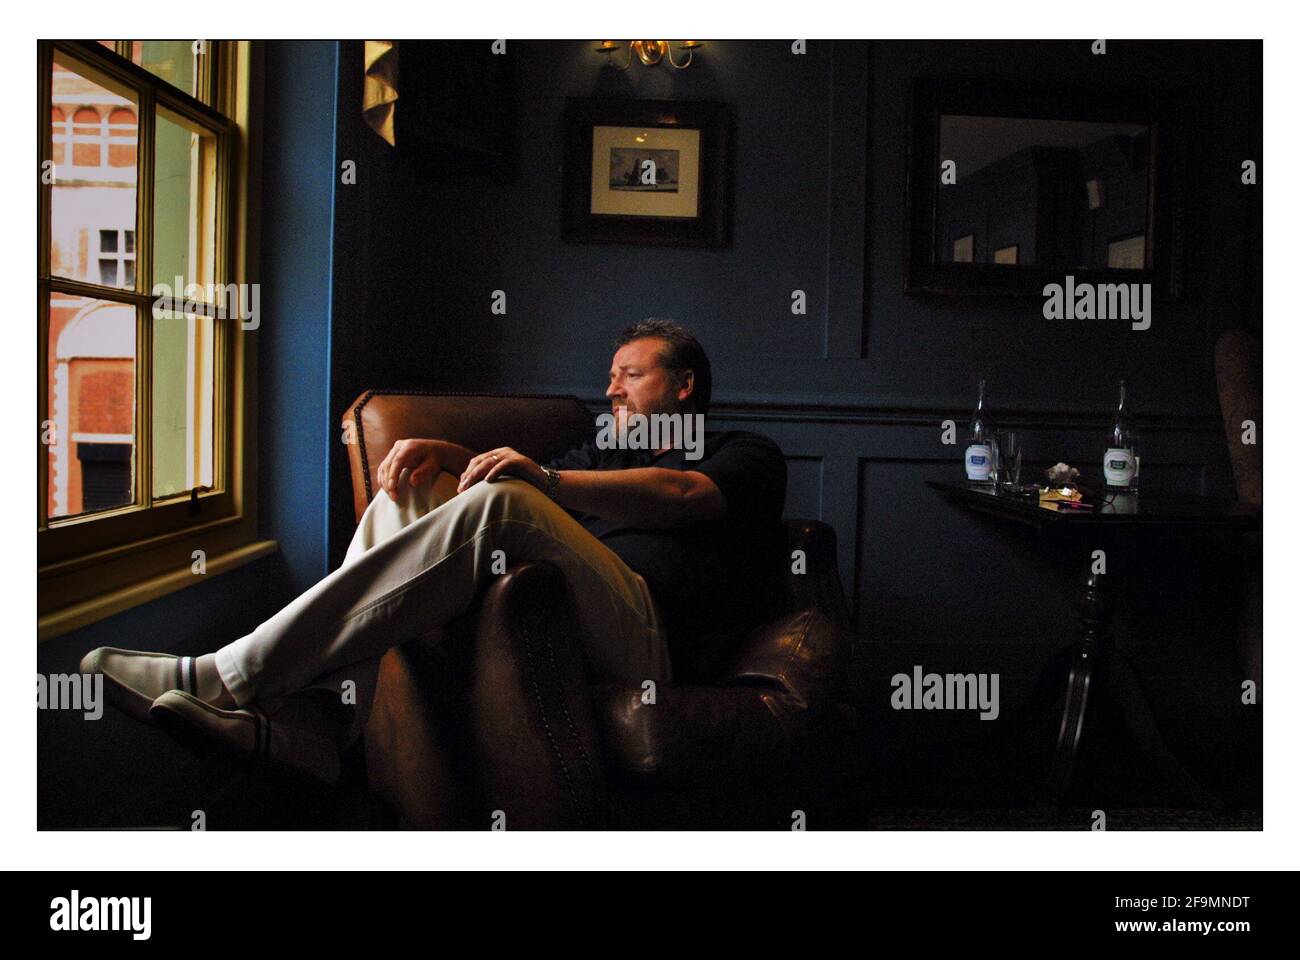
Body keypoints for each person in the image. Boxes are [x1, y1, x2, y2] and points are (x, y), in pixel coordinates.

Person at [82, 319, 787, 783]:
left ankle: (230, 677)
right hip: (565, 621)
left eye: (630, 375)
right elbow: (511, 475)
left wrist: (540, 478)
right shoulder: (596, 452)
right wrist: (445, 455)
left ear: (684, 386)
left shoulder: (746, 454)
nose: (610, 390)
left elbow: (681, 494)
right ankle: (327, 718)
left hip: (651, 637)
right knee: (405, 493)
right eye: (609, 375)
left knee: (508, 501)